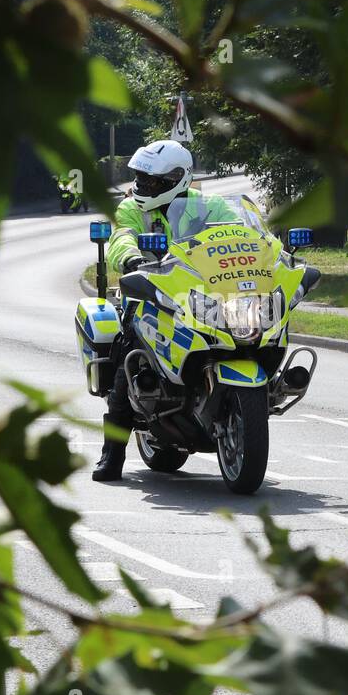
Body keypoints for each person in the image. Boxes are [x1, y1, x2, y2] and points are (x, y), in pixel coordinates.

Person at [92, 139, 236, 481]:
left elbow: (240, 231)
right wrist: (131, 258)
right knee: (129, 358)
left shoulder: (210, 206)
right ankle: (112, 454)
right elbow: (122, 237)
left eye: (151, 182)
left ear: (176, 179)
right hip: (149, 296)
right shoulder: (132, 209)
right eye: (140, 179)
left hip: (204, 297)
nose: (142, 187)